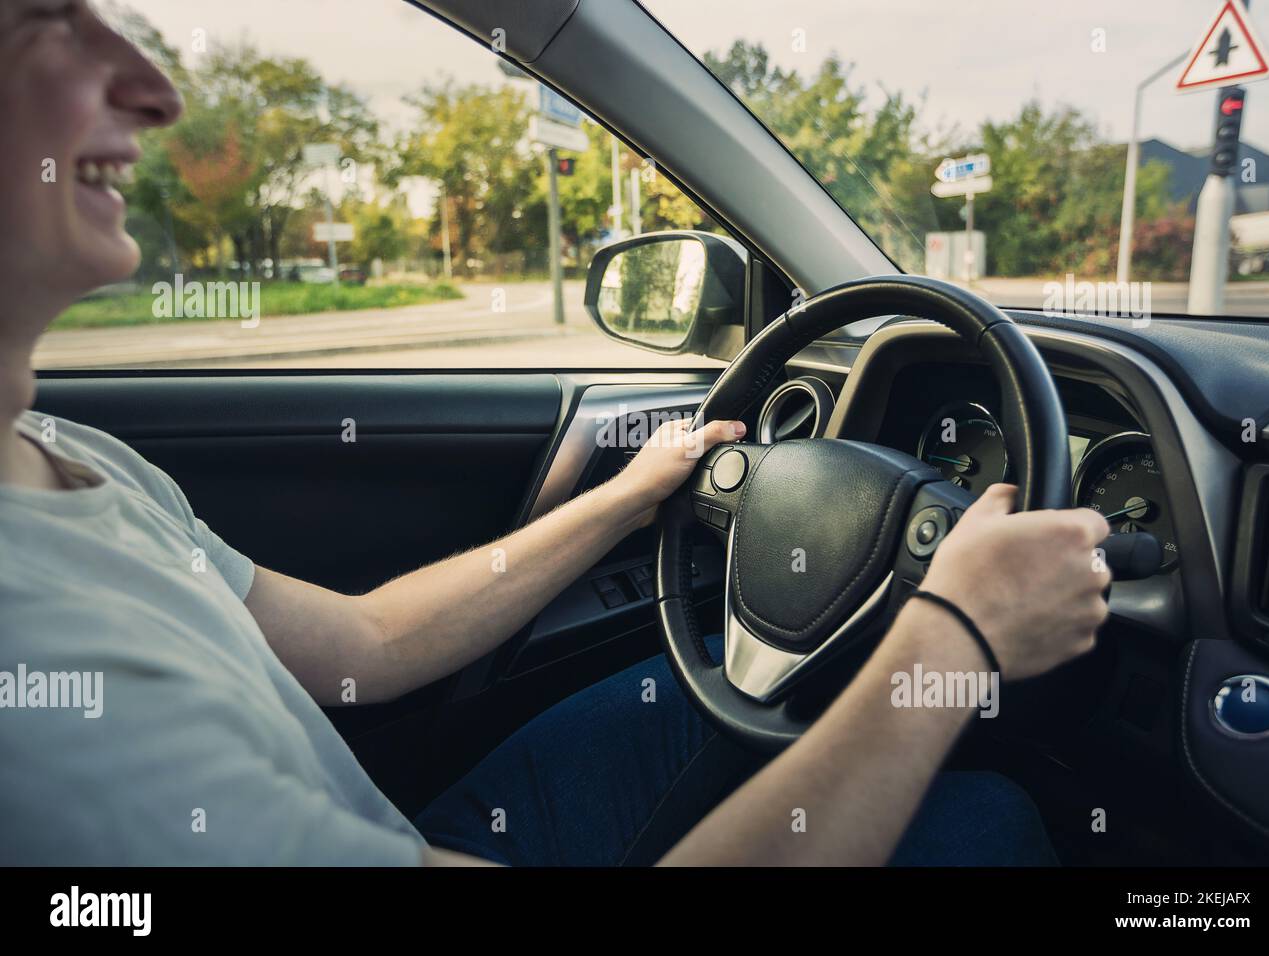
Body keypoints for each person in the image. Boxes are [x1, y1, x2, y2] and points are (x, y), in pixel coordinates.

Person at [0, 1, 1111, 866]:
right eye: (48, 16)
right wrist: (955, 635)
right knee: (987, 819)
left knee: (710, 690)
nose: (154, 86)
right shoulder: (39, 684)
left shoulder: (70, 456)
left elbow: (363, 647)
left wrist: (633, 491)